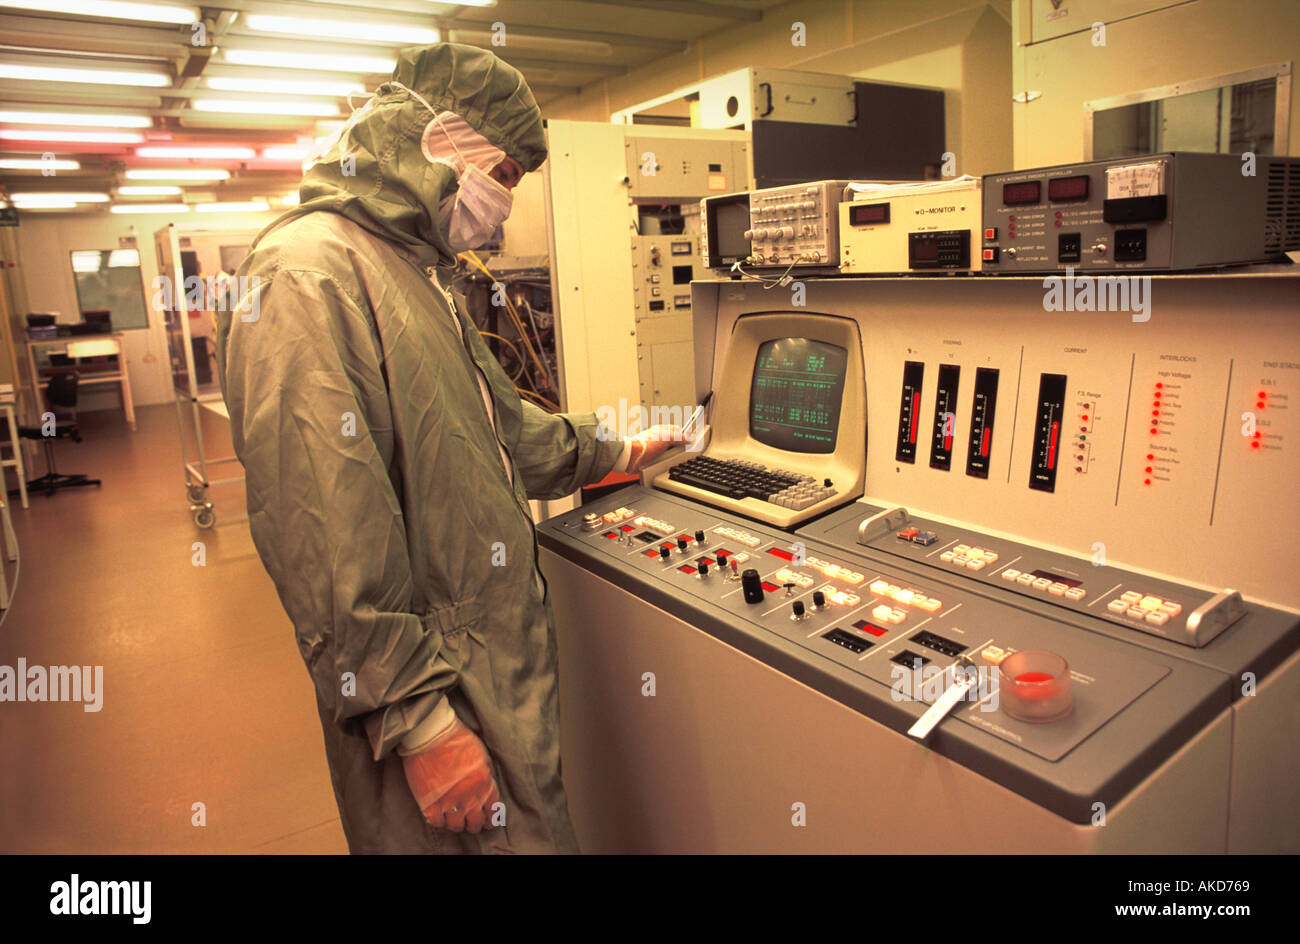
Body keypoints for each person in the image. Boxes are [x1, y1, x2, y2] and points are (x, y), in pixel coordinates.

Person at [215, 43, 684, 854]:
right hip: (434, 688)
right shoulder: (303, 275)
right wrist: (418, 721)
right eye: (502, 175)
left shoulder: (414, 273)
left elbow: (496, 428)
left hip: (494, 671)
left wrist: (610, 448)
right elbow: (322, 528)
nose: (504, 203)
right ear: (441, 140)